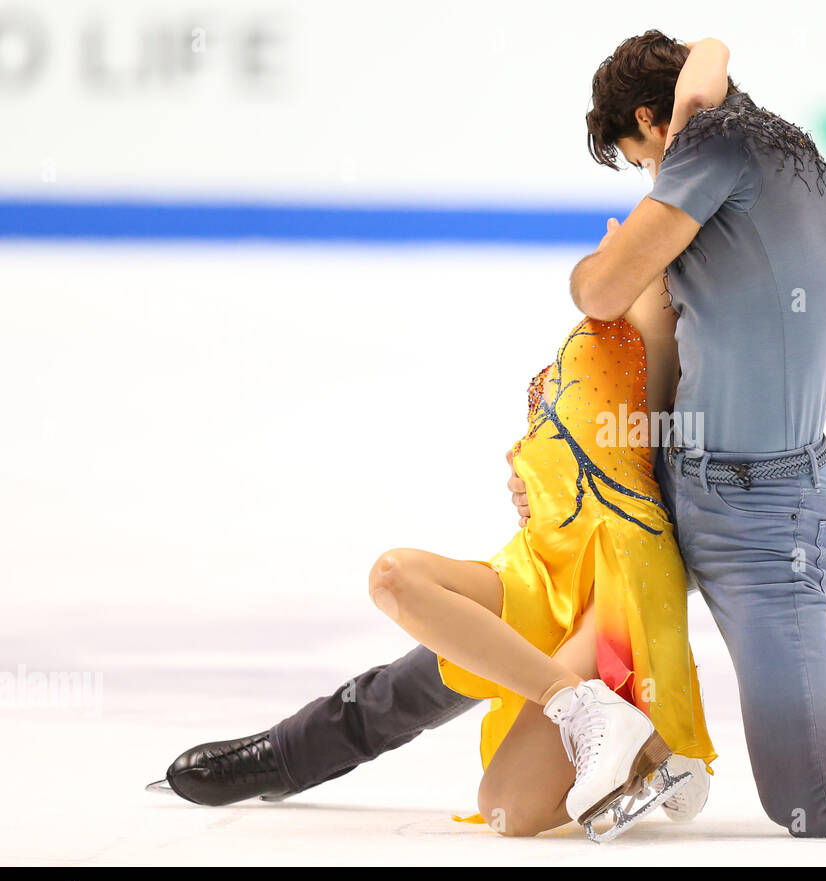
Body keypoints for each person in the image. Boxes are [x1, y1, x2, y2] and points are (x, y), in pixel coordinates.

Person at [154, 30, 826, 839]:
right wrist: (557, 471)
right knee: (481, 637)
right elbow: (641, 372)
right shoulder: (751, 158)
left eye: (641, 165)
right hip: (666, 497)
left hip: (767, 522)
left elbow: (603, 287)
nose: (648, 192)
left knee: (812, 796)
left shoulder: (711, 153)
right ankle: (291, 752)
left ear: (653, 124)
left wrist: (607, 258)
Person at [153, 265, 716, 839]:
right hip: (543, 562)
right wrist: (542, 478)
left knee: (508, 807)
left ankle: (645, 751)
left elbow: (665, 455)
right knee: (399, 585)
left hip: (615, 569)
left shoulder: (661, 291)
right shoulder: (624, 303)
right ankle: (600, 720)